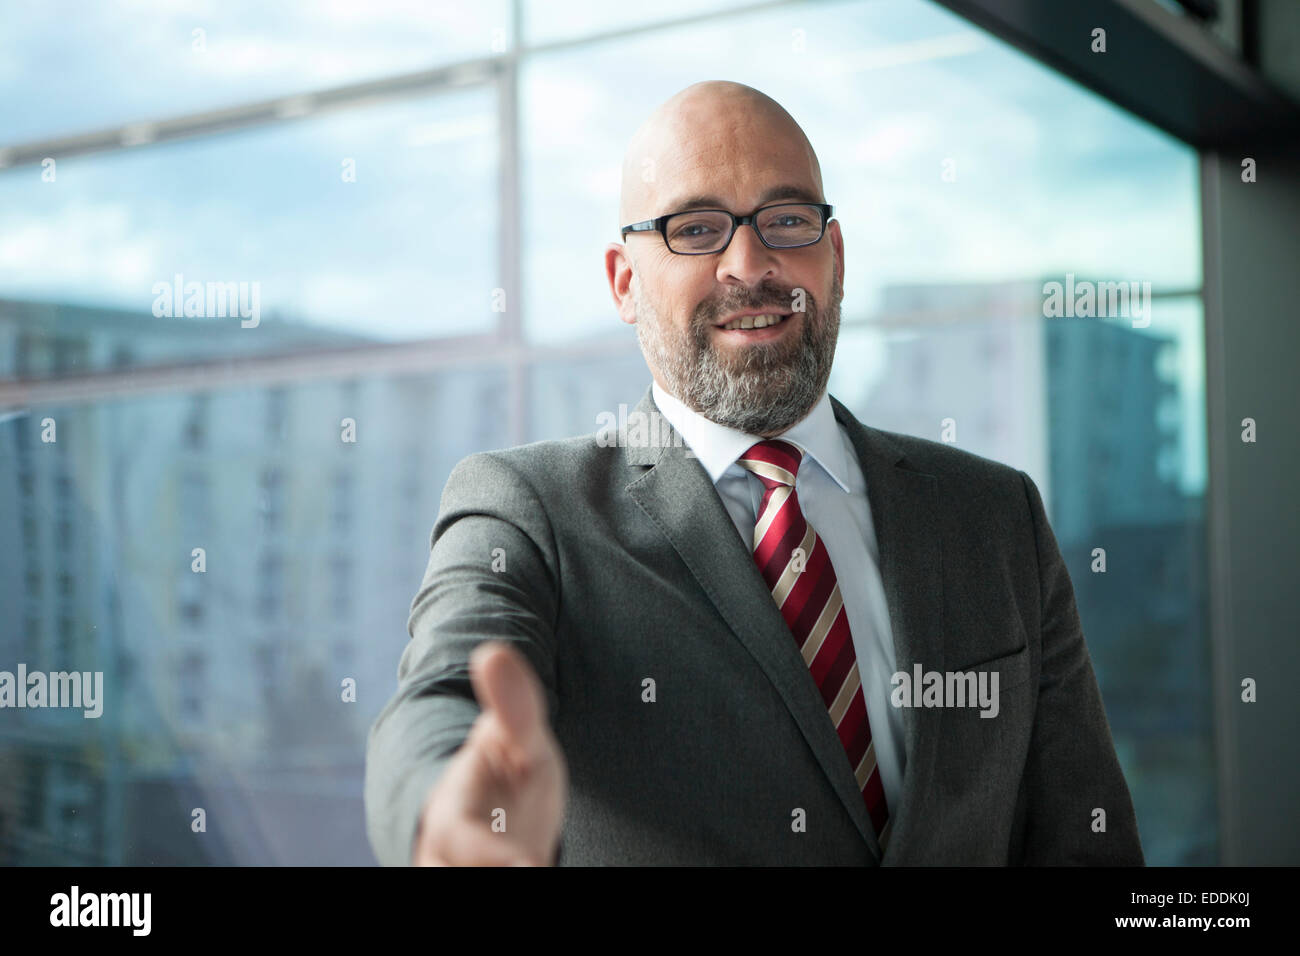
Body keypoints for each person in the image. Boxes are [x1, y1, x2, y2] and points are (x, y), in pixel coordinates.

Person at [364, 80, 1145, 867]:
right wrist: (445, 812)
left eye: (788, 220)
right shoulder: (529, 513)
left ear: (834, 256)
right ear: (624, 282)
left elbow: (1087, 842)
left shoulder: (993, 514)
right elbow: (441, 696)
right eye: (696, 228)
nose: (750, 264)